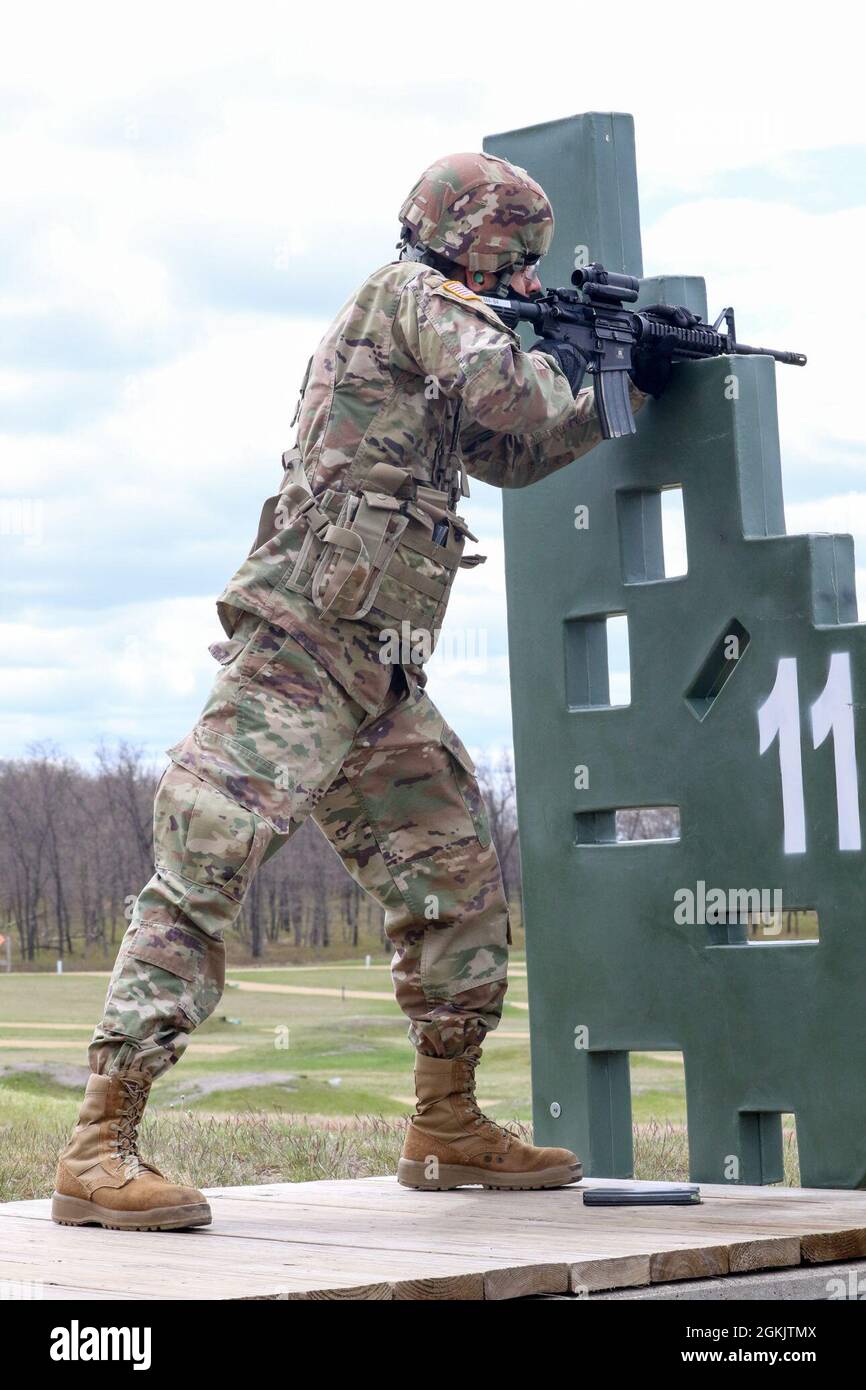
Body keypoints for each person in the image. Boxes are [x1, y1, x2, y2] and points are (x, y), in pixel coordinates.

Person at [52, 152, 658, 1231]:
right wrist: (573, 353)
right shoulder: (411, 296)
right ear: (474, 238)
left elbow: (507, 451)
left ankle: (445, 1127)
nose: (523, 280)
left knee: (456, 877)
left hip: (375, 672)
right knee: (205, 857)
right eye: (516, 259)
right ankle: (98, 1145)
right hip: (298, 644)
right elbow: (505, 389)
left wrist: (622, 392)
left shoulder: (444, 330)